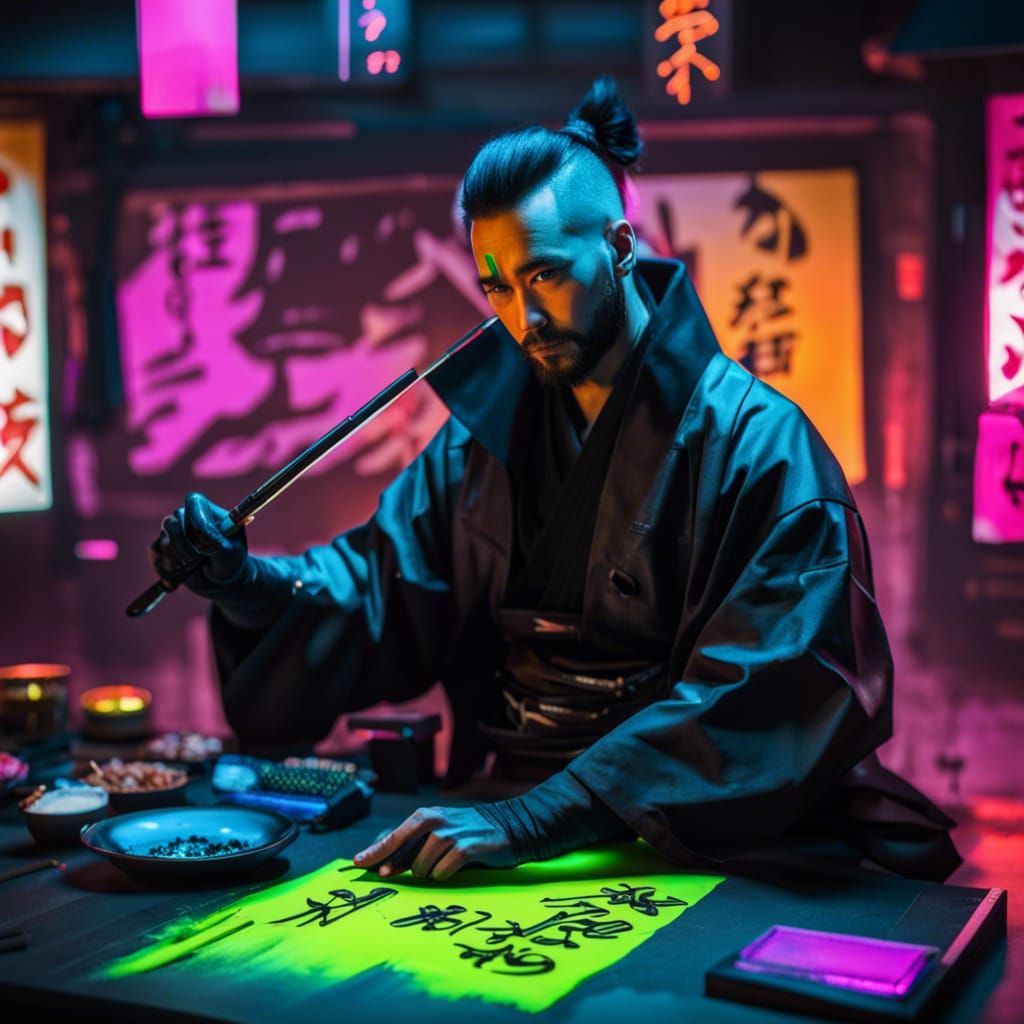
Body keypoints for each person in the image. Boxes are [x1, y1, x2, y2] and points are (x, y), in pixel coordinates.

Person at [152, 77, 959, 884]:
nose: (520, 317)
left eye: (542, 276)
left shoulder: (760, 446)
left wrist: (539, 820)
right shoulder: (483, 439)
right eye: (496, 286)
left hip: (677, 826)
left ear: (617, 247)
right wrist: (247, 582)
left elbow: (776, 689)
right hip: (501, 797)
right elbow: (381, 584)